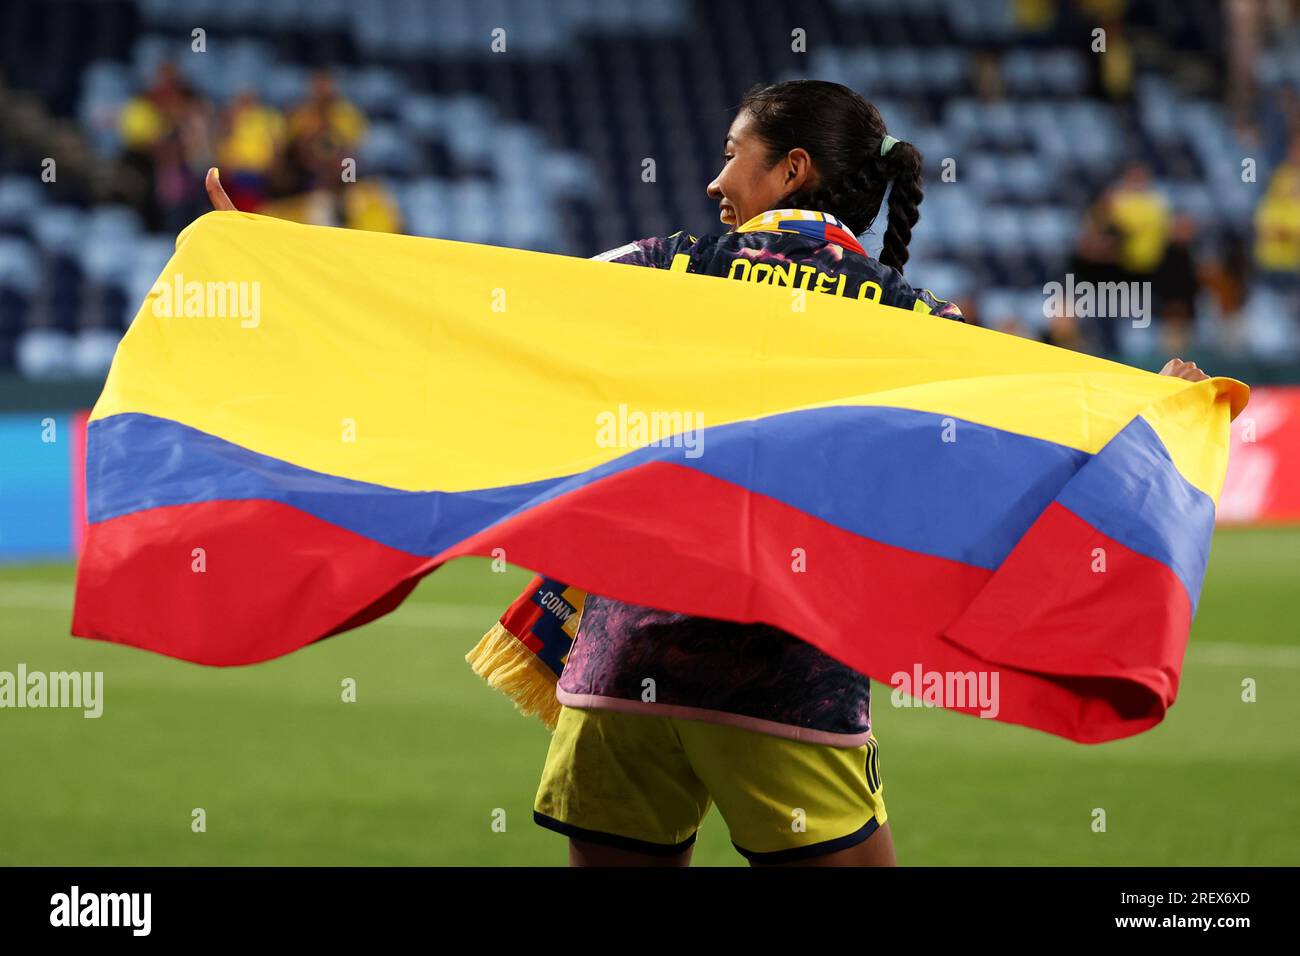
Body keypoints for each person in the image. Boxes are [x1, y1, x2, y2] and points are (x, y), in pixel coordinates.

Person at [204, 80, 1209, 867]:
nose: (714, 178)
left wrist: (286, 272)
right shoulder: (908, 319)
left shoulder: (668, 265)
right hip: (783, 689)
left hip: (613, 681)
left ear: (791, 170)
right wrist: (1153, 407)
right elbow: (1030, 417)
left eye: (734, 154)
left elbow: (486, 313)